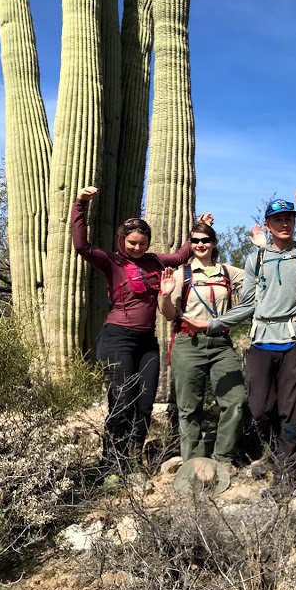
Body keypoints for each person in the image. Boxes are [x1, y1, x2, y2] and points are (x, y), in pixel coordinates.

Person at [185, 190, 296, 492]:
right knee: (260, 407)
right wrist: (213, 324)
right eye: (278, 219)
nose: (284, 223)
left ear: (294, 223)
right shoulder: (256, 258)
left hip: (294, 340)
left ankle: (288, 470)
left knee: (291, 406)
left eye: (289, 218)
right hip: (261, 340)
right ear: (268, 224)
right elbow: (247, 304)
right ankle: (277, 453)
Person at [71, 186, 194, 484]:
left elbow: (179, 256)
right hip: (117, 338)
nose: (137, 248)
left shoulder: (154, 261)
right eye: (132, 242)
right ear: (122, 240)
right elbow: (82, 246)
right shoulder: (112, 261)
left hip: (147, 341)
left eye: (142, 243)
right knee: (122, 399)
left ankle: (132, 459)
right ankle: (111, 463)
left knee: (145, 402)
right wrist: (80, 205)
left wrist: (199, 231)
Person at [158, 217, 247, 475]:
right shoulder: (180, 274)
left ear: (214, 242)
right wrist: (165, 294)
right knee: (189, 407)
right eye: (195, 241)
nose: (200, 244)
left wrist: (263, 248)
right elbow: (167, 314)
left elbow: (256, 281)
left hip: (220, 343)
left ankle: (223, 458)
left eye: (205, 240)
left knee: (235, 400)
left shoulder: (229, 272)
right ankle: (194, 464)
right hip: (188, 342)